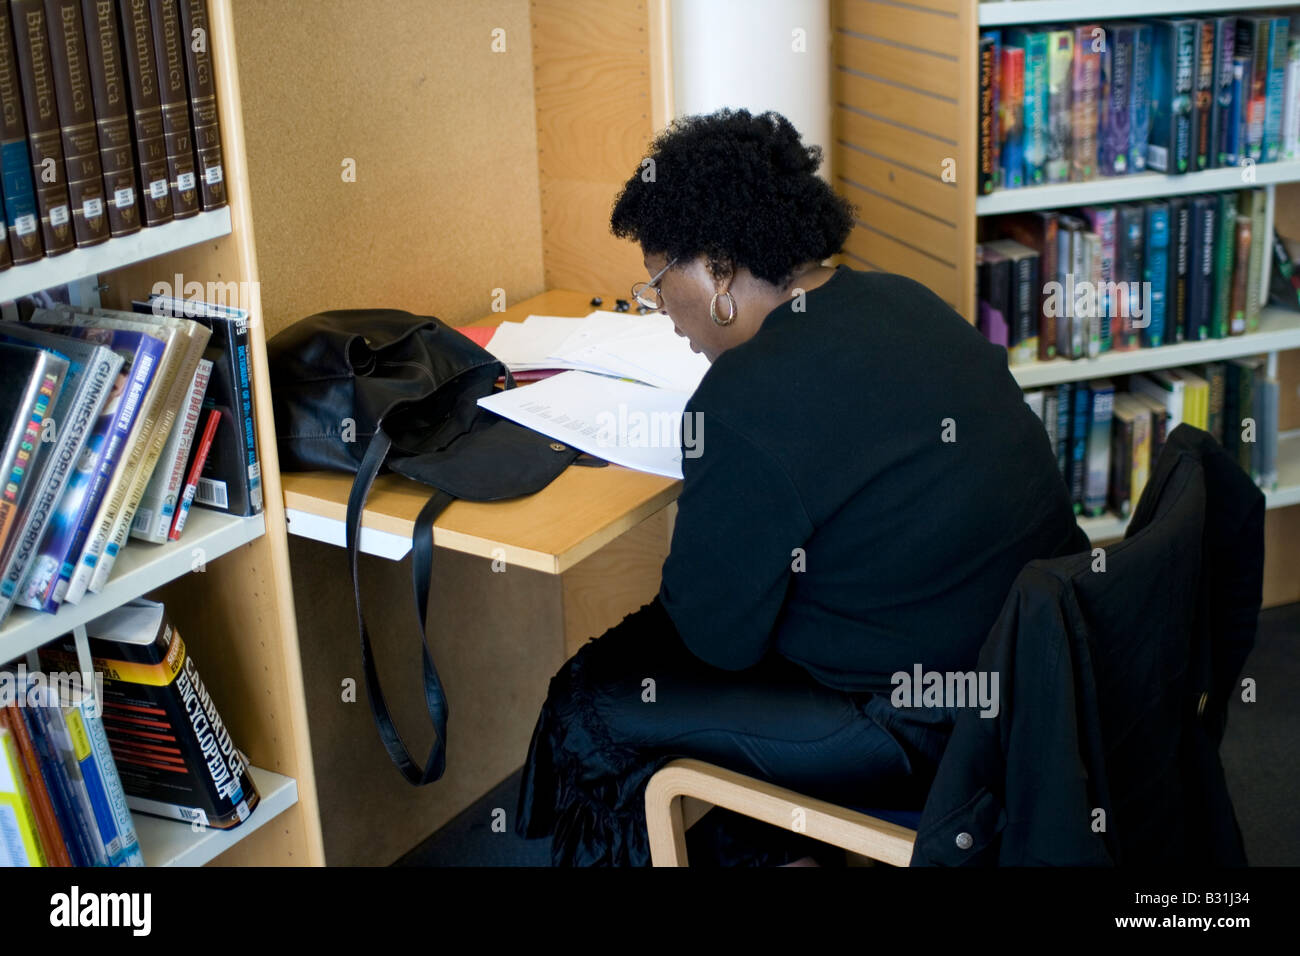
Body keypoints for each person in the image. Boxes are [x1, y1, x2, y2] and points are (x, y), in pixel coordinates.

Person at [514, 108, 1090, 866]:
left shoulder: (743, 399)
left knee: (589, 706)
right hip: (1031, 674)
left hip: (925, 732)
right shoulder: (906, 299)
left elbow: (716, 643)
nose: (664, 313)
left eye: (657, 283)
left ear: (718, 270)